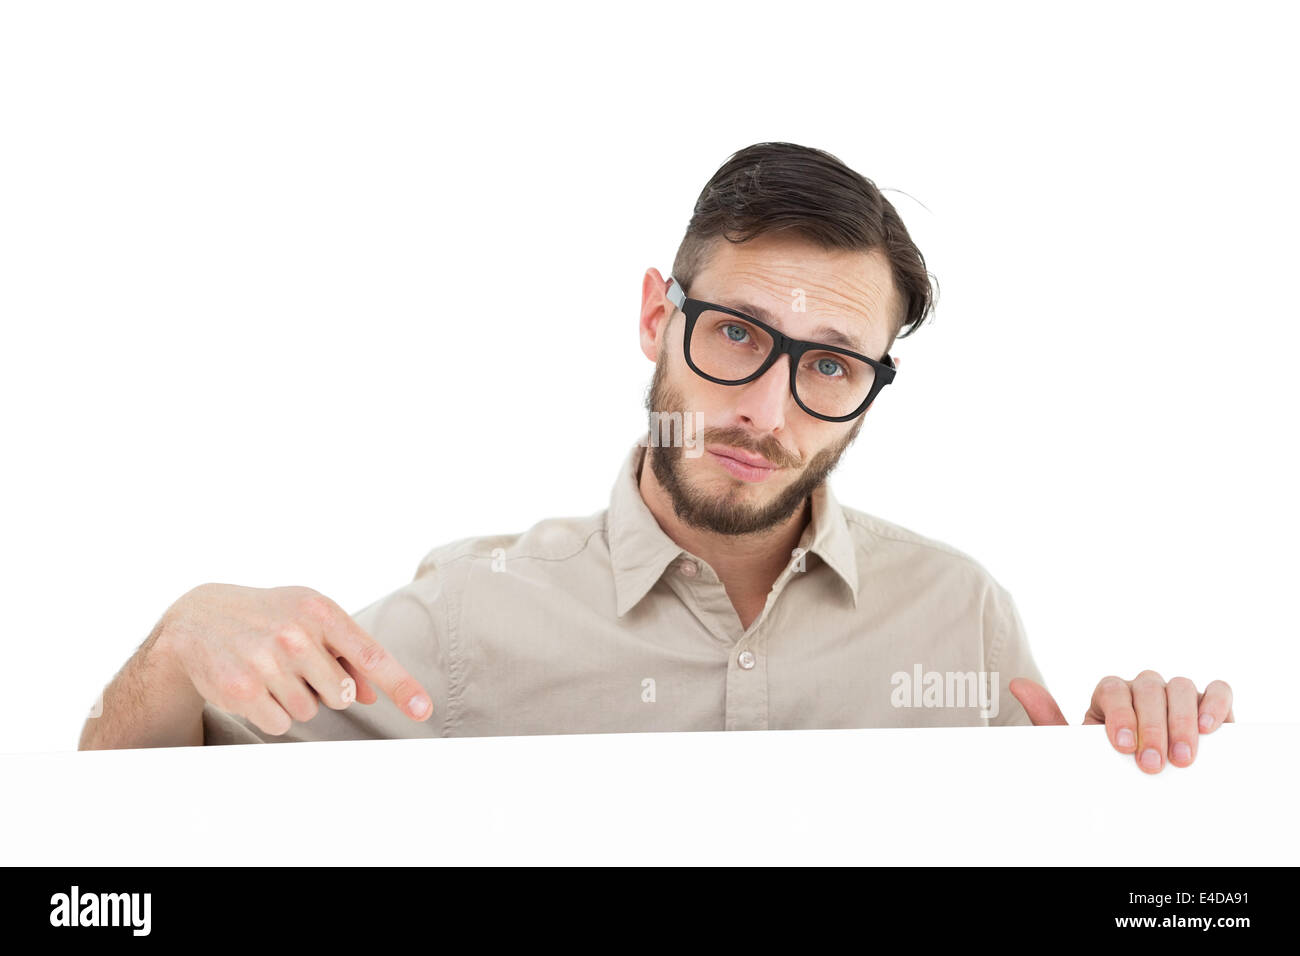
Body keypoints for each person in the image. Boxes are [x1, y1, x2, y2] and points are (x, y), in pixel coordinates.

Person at [79, 142, 1233, 773]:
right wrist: (179, 645)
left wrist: (1126, 787)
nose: (766, 411)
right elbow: (110, 848)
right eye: (735, 334)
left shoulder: (962, 619)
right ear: (655, 317)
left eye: (830, 364)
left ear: (873, 388)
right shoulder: (469, 621)